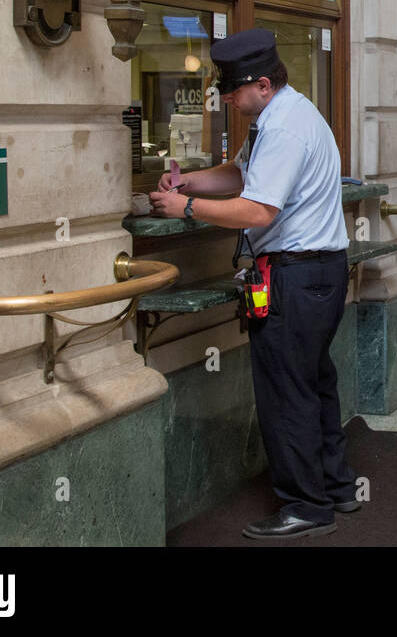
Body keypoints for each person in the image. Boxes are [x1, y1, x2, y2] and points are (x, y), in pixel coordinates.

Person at [149, 28, 358, 540]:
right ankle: (335, 486)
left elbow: (259, 209)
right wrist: (191, 181)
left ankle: (307, 506)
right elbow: (244, 175)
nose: (227, 101)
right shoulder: (285, 114)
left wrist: (187, 208)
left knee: (286, 393)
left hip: (297, 277)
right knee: (313, 382)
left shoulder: (284, 128)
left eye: (234, 92)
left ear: (262, 84)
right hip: (317, 274)